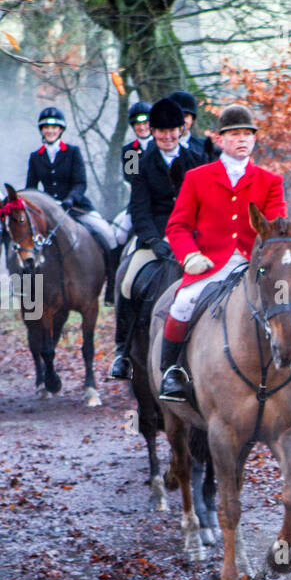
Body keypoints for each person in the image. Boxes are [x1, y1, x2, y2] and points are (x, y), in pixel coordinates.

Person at [159, 103, 291, 402]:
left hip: (258, 265)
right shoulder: (197, 177)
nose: (241, 140)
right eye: (234, 134)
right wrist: (191, 256)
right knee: (182, 303)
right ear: (221, 139)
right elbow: (177, 226)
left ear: (254, 139)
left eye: (247, 134)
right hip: (211, 263)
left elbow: (277, 228)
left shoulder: (270, 180)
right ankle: (172, 371)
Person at [110, 96, 204, 379]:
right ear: (152, 132)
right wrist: (153, 240)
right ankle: (122, 351)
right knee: (127, 281)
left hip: (191, 236)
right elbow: (139, 206)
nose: (166, 137)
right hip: (154, 232)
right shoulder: (136, 157)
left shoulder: (197, 158)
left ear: (180, 130)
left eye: (171, 131)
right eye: (160, 132)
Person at [25, 105, 122, 302]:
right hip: (47, 212)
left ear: (60, 130)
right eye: (46, 128)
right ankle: (29, 295)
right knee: (25, 244)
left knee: (108, 235)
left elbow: (81, 183)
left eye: (54, 127)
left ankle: (111, 288)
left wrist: (69, 199)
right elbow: (31, 188)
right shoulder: (35, 157)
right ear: (42, 131)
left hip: (75, 207)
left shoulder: (72, 152)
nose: (50, 131)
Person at [167, 90, 216, 163]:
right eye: (176, 115)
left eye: (185, 116)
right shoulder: (155, 147)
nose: (180, 120)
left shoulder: (203, 148)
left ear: (192, 119)